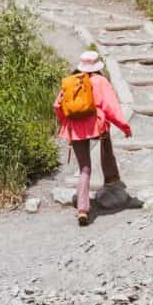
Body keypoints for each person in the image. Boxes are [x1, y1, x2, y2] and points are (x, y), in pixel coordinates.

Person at [54, 50, 132, 226]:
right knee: (106, 146)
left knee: (85, 169)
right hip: (96, 125)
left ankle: (82, 209)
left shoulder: (71, 81)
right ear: (97, 66)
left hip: (75, 127)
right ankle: (112, 181)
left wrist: (66, 122)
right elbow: (111, 108)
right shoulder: (101, 81)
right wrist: (124, 127)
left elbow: (57, 105)